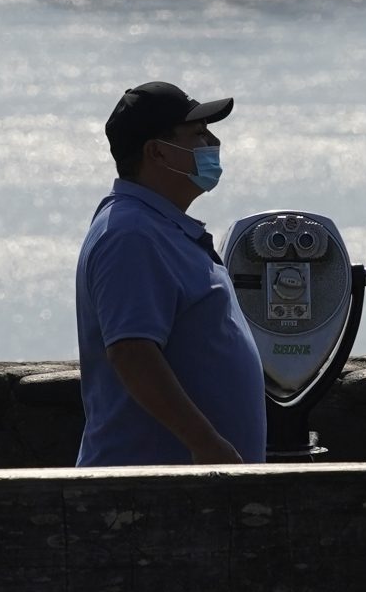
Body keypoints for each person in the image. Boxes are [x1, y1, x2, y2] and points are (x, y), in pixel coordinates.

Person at [74, 80, 265, 466]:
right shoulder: (130, 235)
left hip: (181, 487)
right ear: (158, 152)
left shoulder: (156, 227)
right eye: (197, 133)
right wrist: (208, 446)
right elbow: (132, 353)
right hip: (152, 491)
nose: (213, 142)